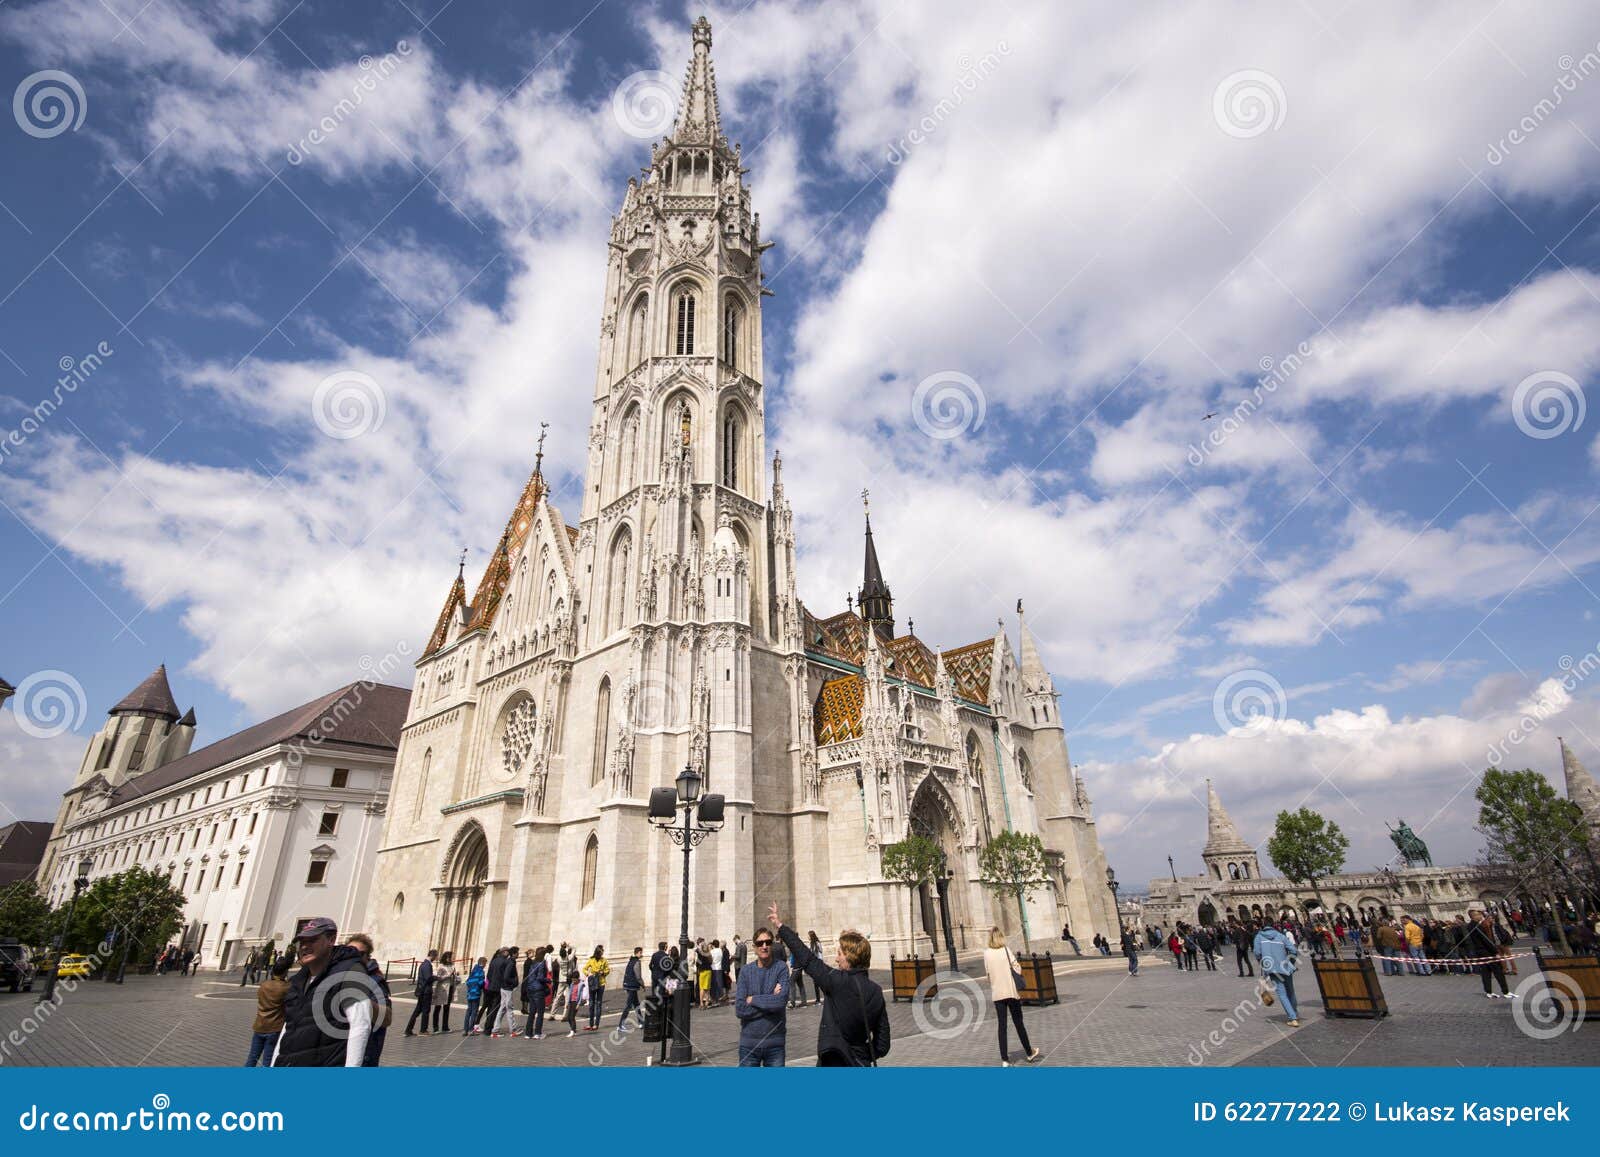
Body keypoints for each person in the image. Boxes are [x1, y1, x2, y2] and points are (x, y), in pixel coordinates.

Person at [769, 902, 890, 1067]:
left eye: (839, 954)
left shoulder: (835, 981)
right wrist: (862, 1054)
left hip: (834, 1060)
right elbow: (883, 1044)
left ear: (849, 957)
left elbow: (806, 957)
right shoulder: (876, 991)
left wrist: (780, 926)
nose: (836, 959)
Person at [271, 917, 371, 1066]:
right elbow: (289, 1027)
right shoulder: (298, 980)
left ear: (331, 939)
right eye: (302, 942)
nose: (304, 946)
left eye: (312, 940)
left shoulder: (349, 972)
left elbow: (361, 1025)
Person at [983, 927, 1042, 1066]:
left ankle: (1004, 1059)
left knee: (1001, 1026)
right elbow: (1017, 968)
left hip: (997, 994)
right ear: (1000, 937)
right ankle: (1029, 1052)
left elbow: (988, 974)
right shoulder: (1006, 950)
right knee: (1018, 1023)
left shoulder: (986, 954)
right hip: (1011, 991)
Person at [734, 927, 790, 1066]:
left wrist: (753, 999)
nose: (764, 946)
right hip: (749, 1044)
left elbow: (781, 1001)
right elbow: (740, 1009)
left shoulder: (781, 968)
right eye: (760, 943)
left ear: (772, 944)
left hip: (775, 1043)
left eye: (767, 942)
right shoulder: (746, 971)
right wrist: (771, 997)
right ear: (754, 947)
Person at [346, 933, 392, 1066]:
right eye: (349, 952)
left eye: (360, 953)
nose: (354, 956)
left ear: (368, 957)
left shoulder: (376, 980)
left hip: (365, 1053)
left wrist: (362, 1002)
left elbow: (386, 1018)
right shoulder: (338, 976)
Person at [245, 957, 291, 1066]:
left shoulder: (264, 985)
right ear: (285, 972)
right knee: (267, 1060)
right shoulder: (286, 987)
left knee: (252, 1057)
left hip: (259, 1025)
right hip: (274, 1027)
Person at [1252, 922, 1301, 1028]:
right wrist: (1290, 963)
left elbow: (1257, 952)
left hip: (1272, 969)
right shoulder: (1281, 936)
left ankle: (1292, 1018)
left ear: (1262, 927)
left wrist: (1262, 962)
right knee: (1291, 992)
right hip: (1286, 967)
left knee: (1282, 994)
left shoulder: (1259, 937)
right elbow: (1293, 950)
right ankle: (1295, 1014)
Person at [1464, 909, 1513, 998]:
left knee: (1486, 973)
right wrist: (1495, 952)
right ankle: (1506, 992)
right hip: (1487, 952)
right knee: (1498, 972)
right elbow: (1485, 940)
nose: (1480, 916)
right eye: (1478, 915)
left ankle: (1488, 992)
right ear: (1474, 916)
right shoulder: (1476, 926)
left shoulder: (1470, 926)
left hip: (1480, 952)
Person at [404, 949, 437, 1036]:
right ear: (432, 956)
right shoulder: (427, 965)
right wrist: (436, 978)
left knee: (417, 1011)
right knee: (425, 1011)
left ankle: (408, 1030)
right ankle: (423, 1030)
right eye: (435, 957)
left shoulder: (424, 964)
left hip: (423, 991)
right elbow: (428, 978)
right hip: (425, 992)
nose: (435, 959)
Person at [490, 945, 520, 1037]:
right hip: (507, 989)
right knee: (509, 1008)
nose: (518, 954)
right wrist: (514, 982)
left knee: (502, 1009)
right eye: (517, 952)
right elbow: (506, 976)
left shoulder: (508, 961)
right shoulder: (511, 963)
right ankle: (513, 1030)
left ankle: (495, 1030)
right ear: (514, 954)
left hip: (503, 988)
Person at [523, 946, 550, 1038]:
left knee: (532, 1012)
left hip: (530, 989)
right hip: (538, 990)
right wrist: (548, 980)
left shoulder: (533, 962)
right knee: (540, 1012)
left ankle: (528, 1033)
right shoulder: (542, 963)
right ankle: (538, 1033)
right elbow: (540, 977)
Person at [583, 945, 610, 1031]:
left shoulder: (604, 960)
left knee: (598, 1003)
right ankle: (590, 1023)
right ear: (597, 953)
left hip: (601, 983)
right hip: (592, 983)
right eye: (601, 952)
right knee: (591, 1004)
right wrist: (588, 974)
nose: (602, 954)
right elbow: (584, 969)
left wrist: (603, 972)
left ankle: (596, 1024)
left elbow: (608, 970)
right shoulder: (591, 960)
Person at [431, 951, 456, 1033]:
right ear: (447, 957)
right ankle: (435, 1027)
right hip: (442, 989)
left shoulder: (452, 966)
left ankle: (445, 1027)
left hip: (450, 988)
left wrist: (456, 977)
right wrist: (447, 976)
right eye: (451, 957)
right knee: (438, 1007)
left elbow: (453, 977)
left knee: (447, 1008)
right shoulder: (441, 966)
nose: (452, 958)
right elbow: (438, 978)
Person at [620, 947, 645, 1028]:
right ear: (638, 953)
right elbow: (638, 976)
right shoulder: (637, 962)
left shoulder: (631, 960)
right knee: (628, 1005)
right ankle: (621, 1024)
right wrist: (643, 985)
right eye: (641, 953)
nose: (642, 954)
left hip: (628, 984)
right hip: (632, 986)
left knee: (636, 1004)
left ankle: (641, 1021)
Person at [462, 956, 486, 1036]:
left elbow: (468, 982)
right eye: (485, 963)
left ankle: (465, 1030)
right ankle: (471, 1030)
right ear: (483, 963)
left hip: (470, 994)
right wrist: (485, 984)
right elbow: (480, 983)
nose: (485, 965)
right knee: (474, 1012)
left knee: (468, 1011)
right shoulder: (481, 971)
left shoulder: (473, 970)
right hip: (476, 994)